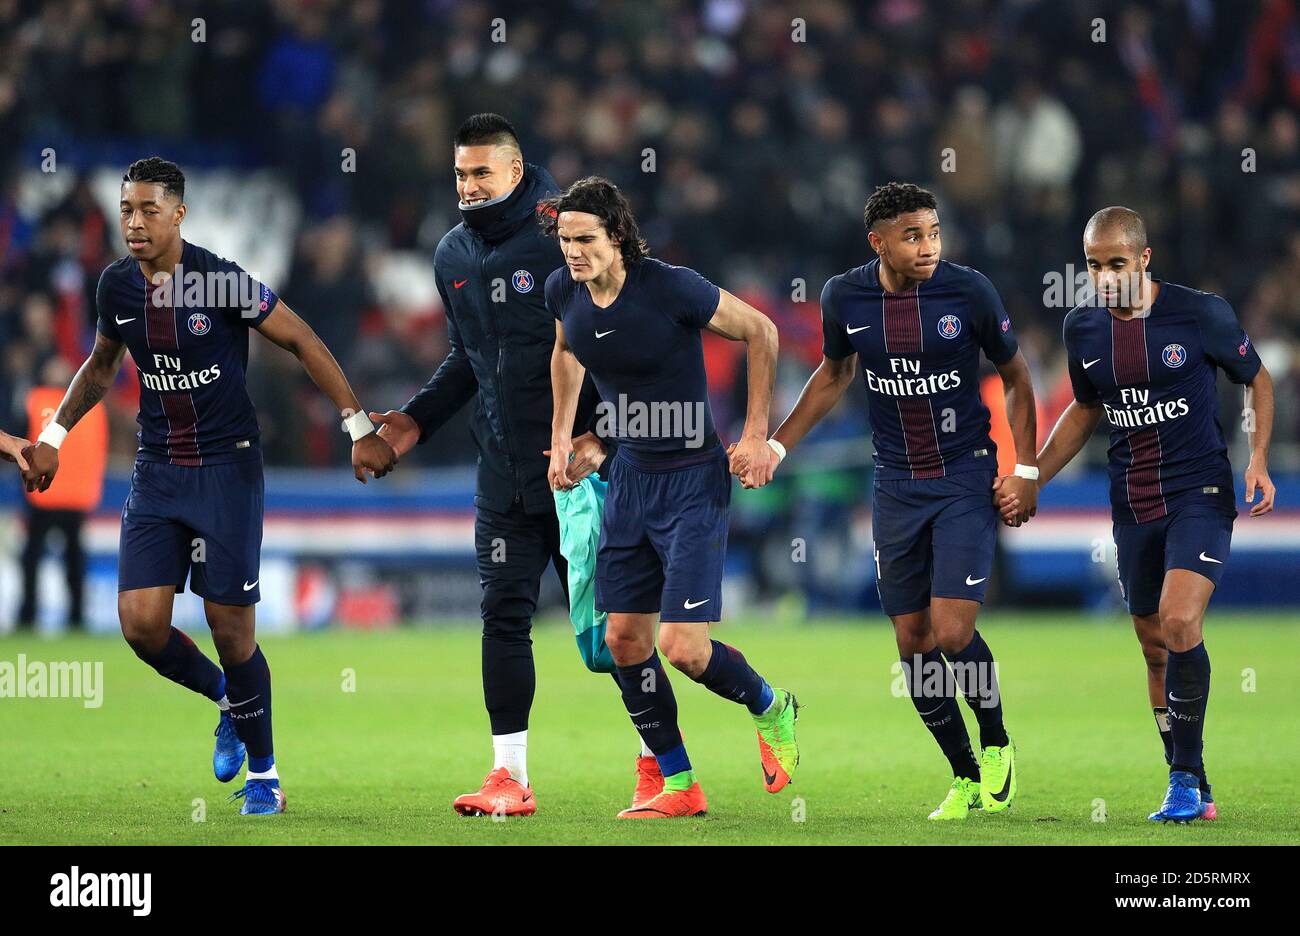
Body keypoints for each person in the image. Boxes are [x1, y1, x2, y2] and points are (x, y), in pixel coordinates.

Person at [21, 156, 396, 815]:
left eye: (148, 211)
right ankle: (228, 699)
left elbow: (302, 339)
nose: (134, 223)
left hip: (227, 468)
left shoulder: (221, 283)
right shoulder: (116, 288)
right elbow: (101, 366)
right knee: (140, 626)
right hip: (159, 467)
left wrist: (358, 424)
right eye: (126, 211)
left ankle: (265, 776)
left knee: (231, 628)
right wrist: (53, 438)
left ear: (178, 215)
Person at [367, 115, 627, 817]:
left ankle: (663, 766)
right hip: (506, 474)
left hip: (585, 471)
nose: (468, 186)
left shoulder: (568, 233)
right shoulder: (451, 253)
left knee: (619, 626)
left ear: (516, 170)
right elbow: (468, 359)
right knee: (502, 616)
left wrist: (603, 436)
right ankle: (508, 776)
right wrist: (414, 422)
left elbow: (626, 336)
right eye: (459, 174)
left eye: (482, 172)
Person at [767, 182, 1039, 821]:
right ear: (879, 242)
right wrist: (778, 448)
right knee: (912, 644)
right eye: (913, 235)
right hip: (895, 485)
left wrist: (1025, 468)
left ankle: (997, 744)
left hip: (964, 476)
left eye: (934, 232)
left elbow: (1018, 376)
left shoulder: (968, 292)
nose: (928, 247)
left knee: (951, 630)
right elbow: (834, 374)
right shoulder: (844, 295)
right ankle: (964, 775)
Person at [545, 175, 798, 819]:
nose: (573, 253)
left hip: (692, 479)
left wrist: (756, 434)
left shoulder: (672, 288)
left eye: (586, 240)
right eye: (565, 240)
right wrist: (562, 440)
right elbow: (566, 353)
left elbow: (763, 332)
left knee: (682, 647)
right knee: (625, 642)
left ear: (618, 237)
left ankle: (772, 706)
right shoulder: (562, 292)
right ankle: (680, 784)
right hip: (629, 478)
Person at [1026, 206, 1276, 822]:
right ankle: (1190, 776)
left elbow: (1258, 379)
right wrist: (1032, 475)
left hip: (1201, 494)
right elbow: (1085, 411)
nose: (1105, 276)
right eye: (1092, 265)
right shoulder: (1083, 329)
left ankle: (1185, 781)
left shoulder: (1200, 313)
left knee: (1179, 619)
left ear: (1144, 258)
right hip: (1133, 502)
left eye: (1116, 263)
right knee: (1153, 646)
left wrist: (1258, 459)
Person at [19, 358, 108, 630]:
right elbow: (99, 450)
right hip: (74, 496)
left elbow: (21, 440)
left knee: (33, 558)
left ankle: (29, 616)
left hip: (43, 491)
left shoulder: (35, 400)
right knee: (73, 560)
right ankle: (76, 617)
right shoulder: (92, 407)